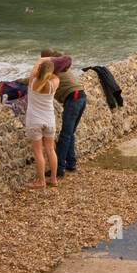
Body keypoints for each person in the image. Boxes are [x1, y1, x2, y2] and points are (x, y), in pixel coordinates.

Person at [47, 50, 87, 180]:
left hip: (73, 99)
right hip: (81, 97)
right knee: (70, 133)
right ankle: (71, 163)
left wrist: (18, 82)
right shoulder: (63, 69)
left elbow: (33, 80)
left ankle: (59, 168)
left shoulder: (52, 70)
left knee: (64, 135)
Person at [23, 56, 59, 189]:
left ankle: (41, 181)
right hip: (49, 120)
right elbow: (53, 74)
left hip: (34, 121)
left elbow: (37, 63)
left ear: (39, 70)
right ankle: (54, 179)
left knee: (38, 152)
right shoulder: (54, 82)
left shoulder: (32, 81)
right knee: (50, 149)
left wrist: (46, 57)